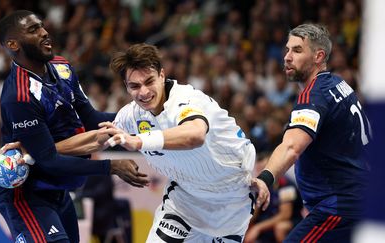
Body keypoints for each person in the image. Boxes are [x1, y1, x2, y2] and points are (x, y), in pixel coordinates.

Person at [0, 10, 149, 243]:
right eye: (33, 30)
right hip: (27, 196)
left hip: (59, 191)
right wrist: (111, 167)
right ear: (13, 44)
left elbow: (91, 118)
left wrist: (144, 117)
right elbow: (49, 160)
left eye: (42, 26)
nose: (44, 32)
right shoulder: (19, 95)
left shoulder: (62, 67)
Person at [98, 43, 270, 242]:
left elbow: (195, 134)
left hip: (230, 200)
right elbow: (97, 137)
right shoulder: (132, 114)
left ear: (162, 75)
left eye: (149, 81)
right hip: (185, 199)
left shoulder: (186, 99)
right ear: (126, 87)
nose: (143, 92)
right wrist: (54, 150)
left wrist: (138, 141)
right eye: (134, 86)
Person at [254, 23, 371, 242]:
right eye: (287, 49)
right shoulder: (339, 84)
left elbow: (292, 146)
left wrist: (264, 179)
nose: (288, 57)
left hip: (338, 208)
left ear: (318, 56)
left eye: (297, 50)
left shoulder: (314, 96)